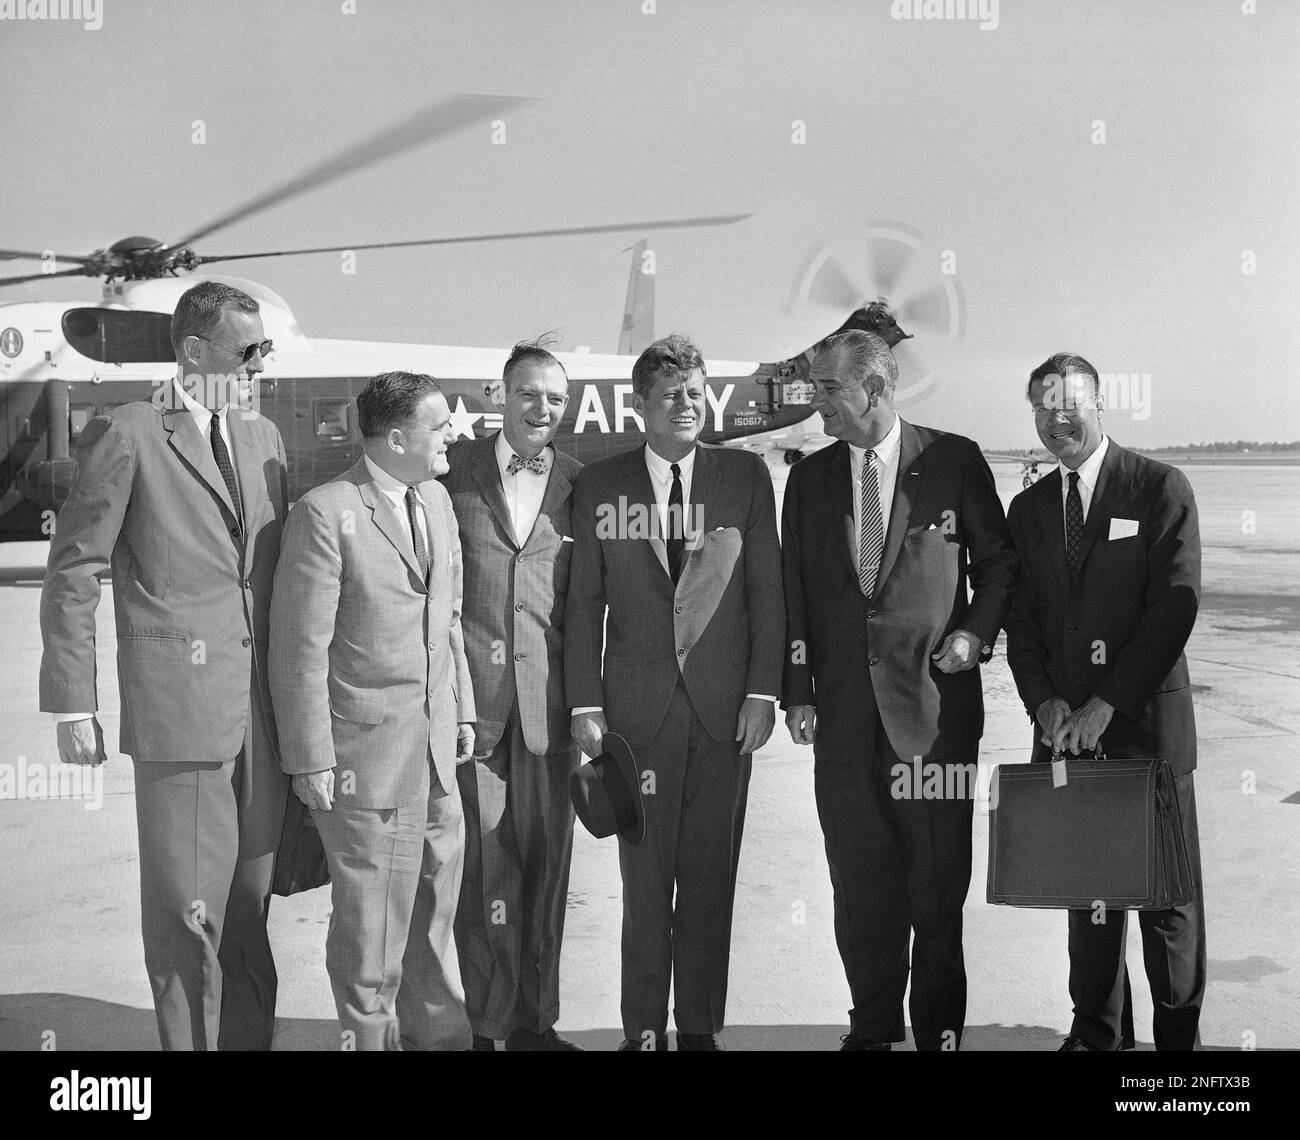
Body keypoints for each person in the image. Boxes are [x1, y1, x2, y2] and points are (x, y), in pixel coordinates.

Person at [39, 280, 289, 1050]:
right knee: (188, 913)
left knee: (249, 908)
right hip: (180, 710)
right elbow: (75, 568)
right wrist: (72, 702)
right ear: (194, 352)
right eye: (249, 352)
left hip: (263, 716)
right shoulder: (131, 432)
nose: (260, 365)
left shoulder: (266, 439)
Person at [781, 329, 1017, 1051]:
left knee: (939, 888)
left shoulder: (952, 460)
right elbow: (794, 590)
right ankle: (873, 1027)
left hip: (935, 717)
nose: (816, 404)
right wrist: (797, 689)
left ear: (876, 389)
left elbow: (1001, 563)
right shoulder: (809, 479)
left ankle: (939, 1032)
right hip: (846, 721)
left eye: (829, 390)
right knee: (859, 887)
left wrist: (974, 635)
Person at [566, 334, 784, 1051]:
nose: (687, 404)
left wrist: (763, 692)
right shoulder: (601, 485)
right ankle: (642, 1031)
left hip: (726, 716)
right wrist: (585, 704)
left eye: (696, 391)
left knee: (710, 882)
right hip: (637, 719)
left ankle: (698, 1030)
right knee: (644, 886)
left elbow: (766, 595)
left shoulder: (745, 478)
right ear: (640, 407)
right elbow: (583, 606)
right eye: (671, 394)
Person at [269, 371, 475, 1051]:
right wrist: (310, 760)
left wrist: (463, 713)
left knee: (434, 929)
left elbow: (449, 621)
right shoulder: (326, 513)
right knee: (370, 938)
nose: (455, 431)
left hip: (439, 758)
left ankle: (437, 1043)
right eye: (440, 423)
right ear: (395, 436)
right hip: (364, 769)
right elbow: (301, 646)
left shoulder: (439, 500)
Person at [1004, 353, 1205, 1052]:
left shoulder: (1157, 488)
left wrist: (1106, 704)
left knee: (1166, 906)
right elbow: (1021, 620)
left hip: (1146, 733)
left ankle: (1178, 1050)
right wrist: (1046, 703)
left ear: (1099, 406)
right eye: (1040, 408)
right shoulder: (1029, 509)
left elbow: (1169, 615)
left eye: (1068, 404)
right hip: (1068, 740)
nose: (1055, 420)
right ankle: (1096, 1035)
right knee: (1088, 901)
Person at [442, 339, 584, 1051]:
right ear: (501, 394)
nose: (542, 407)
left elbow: (592, 607)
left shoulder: (582, 485)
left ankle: (536, 1024)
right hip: (479, 715)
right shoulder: (451, 474)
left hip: (552, 716)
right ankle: (487, 1027)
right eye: (528, 392)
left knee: (548, 873)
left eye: (555, 397)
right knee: (486, 878)